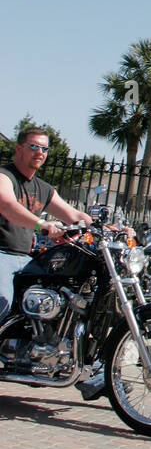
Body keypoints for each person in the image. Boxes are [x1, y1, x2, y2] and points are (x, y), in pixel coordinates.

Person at [0, 126, 93, 320]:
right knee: (3, 302)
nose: (40, 152)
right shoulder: (4, 177)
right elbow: (7, 206)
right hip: (2, 254)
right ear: (18, 149)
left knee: (57, 297)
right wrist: (41, 224)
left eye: (44, 149)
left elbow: (72, 214)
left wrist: (105, 226)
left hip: (26, 259)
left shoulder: (43, 188)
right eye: (34, 146)